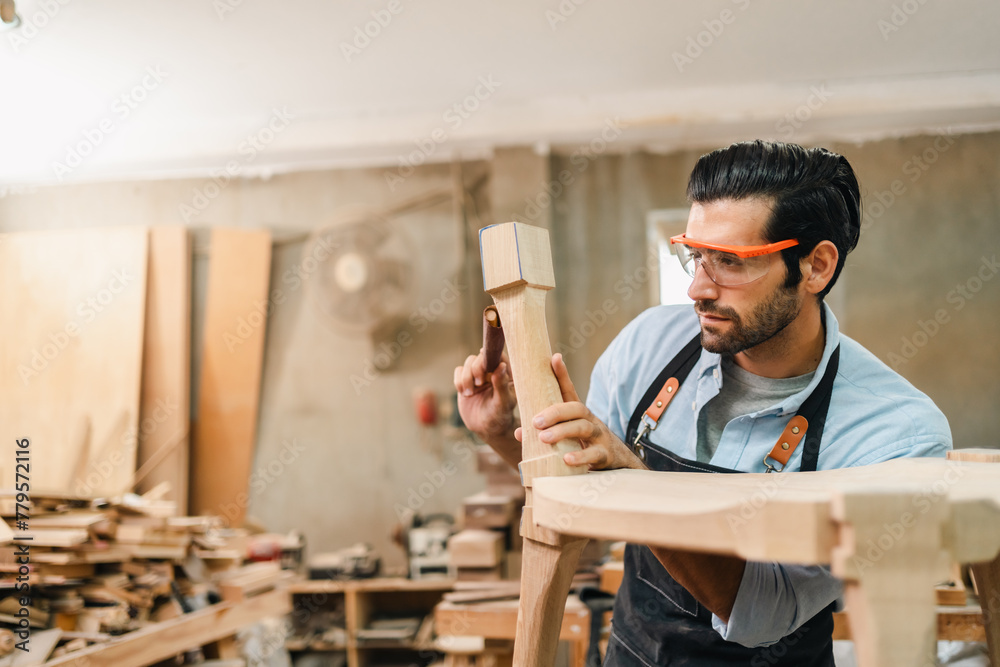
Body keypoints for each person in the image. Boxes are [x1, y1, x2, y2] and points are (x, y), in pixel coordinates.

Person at [454, 140, 952, 666]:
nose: (697, 288)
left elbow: (766, 614)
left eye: (730, 262)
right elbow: (584, 514)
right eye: (695, 255)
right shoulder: (648, 344)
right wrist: (505, 430)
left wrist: (637, 483)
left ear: (816, 267)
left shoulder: (895, 432)